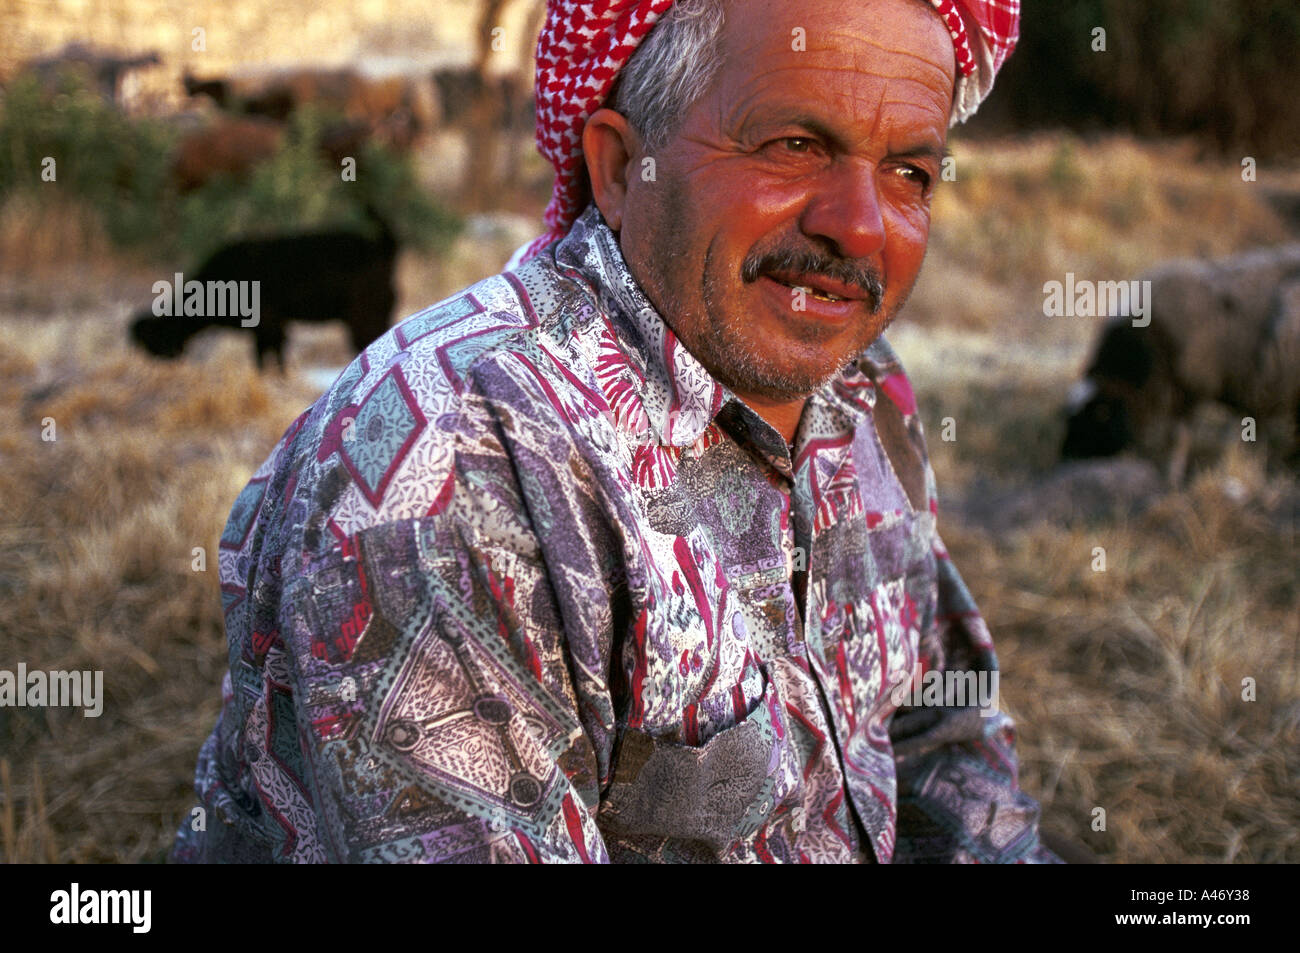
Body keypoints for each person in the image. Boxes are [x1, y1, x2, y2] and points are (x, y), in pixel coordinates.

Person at [171, 0, 1060, 863]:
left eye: (910, 172)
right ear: (620, 167)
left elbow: (938, 730)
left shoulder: (864, 389)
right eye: (794, 146)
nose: (860, 225)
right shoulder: (458, 463)